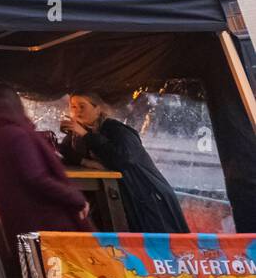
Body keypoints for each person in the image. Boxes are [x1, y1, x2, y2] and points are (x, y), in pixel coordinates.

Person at [0, 85, 91, 278]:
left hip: (14, 214)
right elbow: (36, 178)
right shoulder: (17, 134)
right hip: (44, 216)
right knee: (61, 277)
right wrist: (76, 199)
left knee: (32, 273)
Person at [59, 91, 188, 233]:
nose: (77, 111)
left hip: (146, 196)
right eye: (73, 107)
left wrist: (86, 136)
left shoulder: (116, 130)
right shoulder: (80, 132)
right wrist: (88, 162)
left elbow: (121, 159)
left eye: (82, 106)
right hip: (119, 195)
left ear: (97, 109)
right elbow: (66, 152)